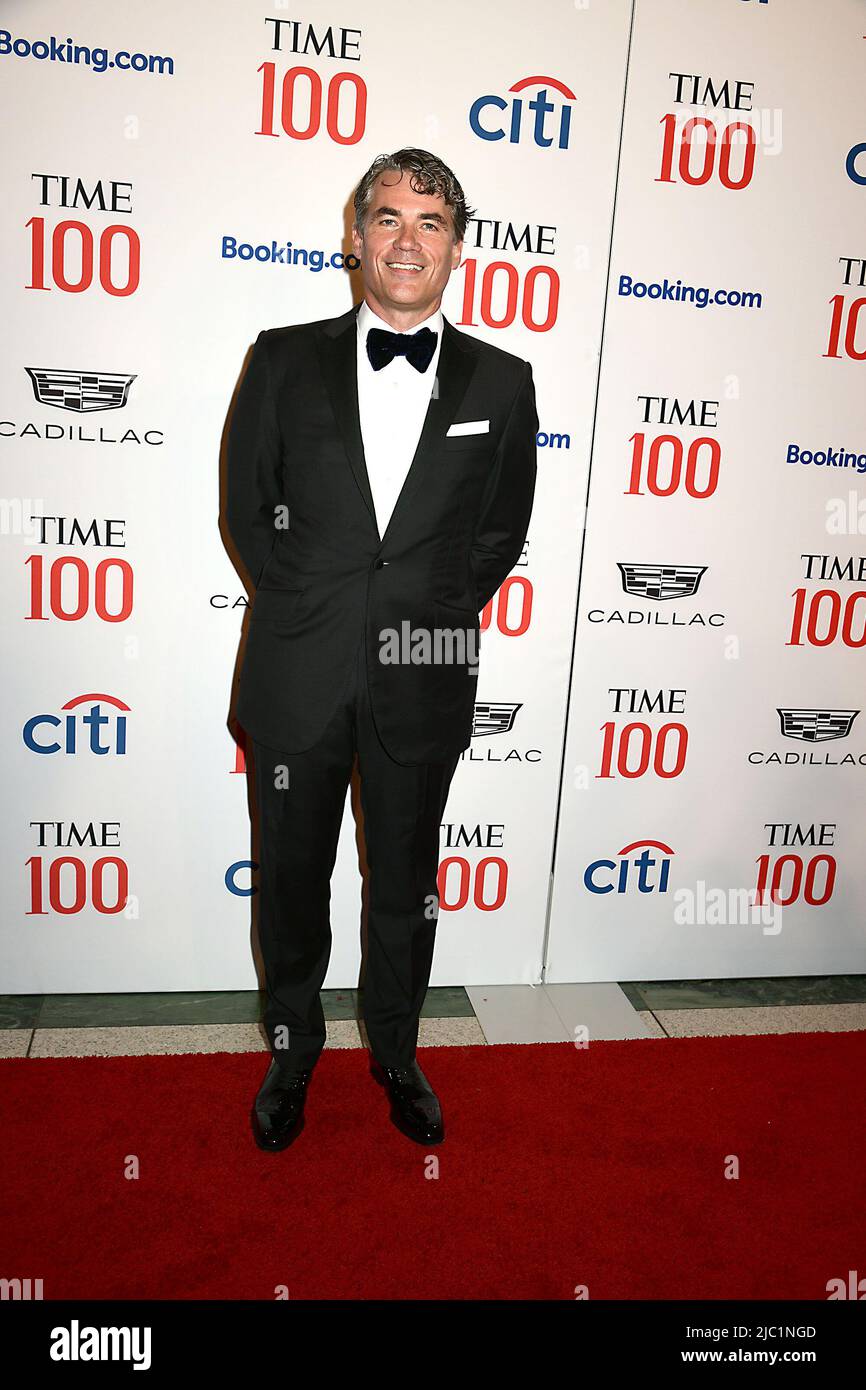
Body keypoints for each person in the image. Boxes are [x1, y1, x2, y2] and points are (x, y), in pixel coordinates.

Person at [225, 147, 538, 1151]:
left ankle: (397, 1055)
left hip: (423, 676)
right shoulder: (281, 358)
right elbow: (247, 512)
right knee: (289, 883)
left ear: (456, 248)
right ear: (356, 237)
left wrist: (427, 613)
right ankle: (290, 1051)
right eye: (388, 219)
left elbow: (497, 533)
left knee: (404, 884)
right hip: (297, 673)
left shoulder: (503, 379)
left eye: (431, 223)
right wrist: (314, 608)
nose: (408, 241)